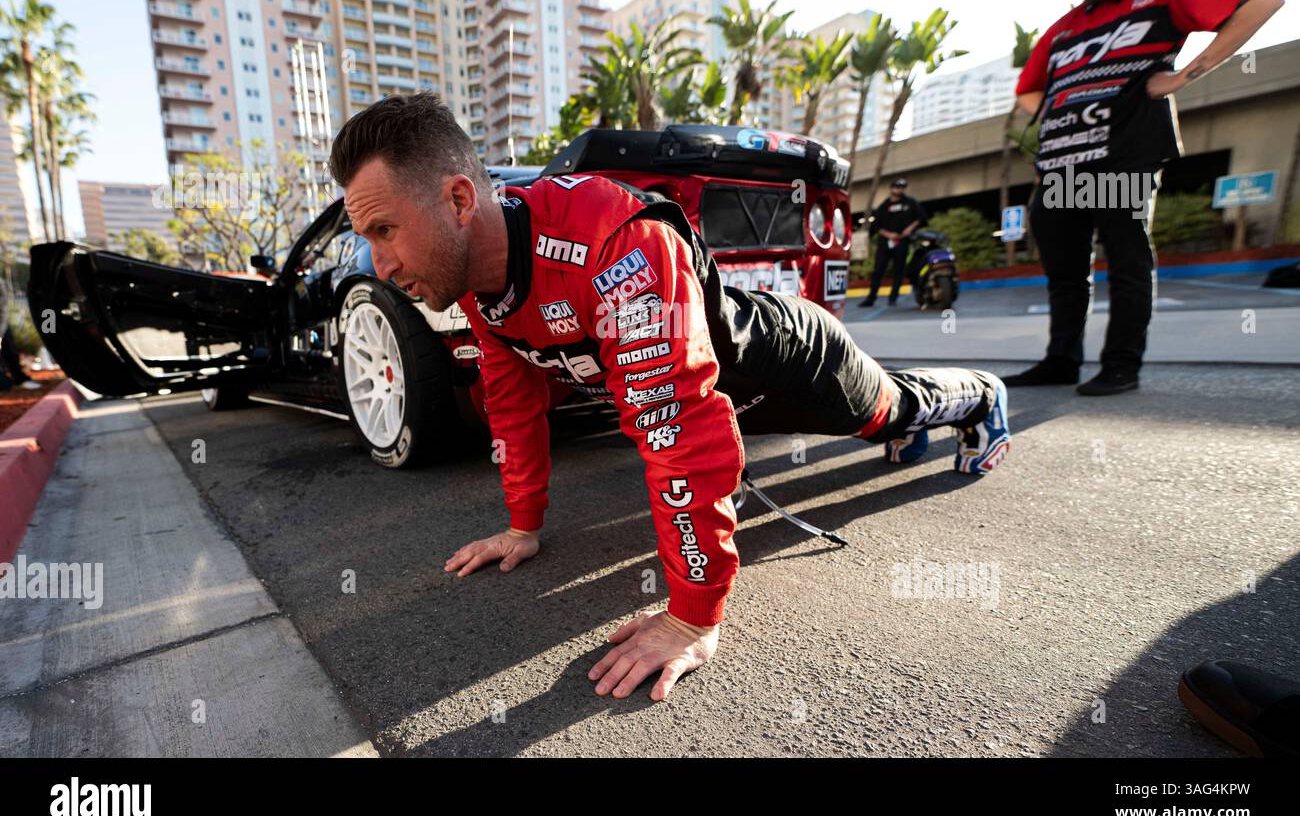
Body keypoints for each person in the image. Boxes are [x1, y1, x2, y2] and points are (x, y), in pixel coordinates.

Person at [328, 93, 1012, 702]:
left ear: (456, 200)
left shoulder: (608, 237)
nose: (380, 264)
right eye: (368, 240)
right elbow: (512, 406)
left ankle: (982, 396)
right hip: (724, 395)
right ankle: (918, 425)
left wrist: (692, 615)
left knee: (887, 411)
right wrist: (522, 525)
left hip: (786, 363)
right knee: (870, 425)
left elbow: (679, 429)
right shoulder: (480, 290)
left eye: (385, 230)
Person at [1008, 0, 1284, 395]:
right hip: (1060, 165)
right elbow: (1029, 91)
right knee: (1064, 273)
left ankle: (1121, 365)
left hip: (1124, 152)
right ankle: (1060, 360)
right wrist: (1063, 113)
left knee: (1127, 262)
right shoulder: (1065, 25)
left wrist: (1182, 76)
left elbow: (1262, 1)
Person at [860, 179, 927, 307]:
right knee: (878, 270)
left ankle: (893, 298)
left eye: (902, 187)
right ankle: (871, 298)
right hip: (885, 243)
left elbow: (921, 218)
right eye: (896, 186)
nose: (899, 189)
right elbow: (876, 226)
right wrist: (889, 234)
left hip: (902, 242)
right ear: (891, 188)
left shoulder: (910, 203)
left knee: (899, 270)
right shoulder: (884, 206)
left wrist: (909, 229)